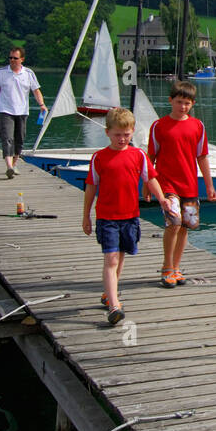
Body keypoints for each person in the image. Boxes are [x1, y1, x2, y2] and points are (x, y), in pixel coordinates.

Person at [83, 107, 169, 326]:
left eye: (126, 134)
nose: (122, 139)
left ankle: (109, 293)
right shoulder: (99, 158)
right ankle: (114, 306)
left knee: (120, 256)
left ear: (132, 132)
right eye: (117, 135)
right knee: (111, 258)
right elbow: (91, 187)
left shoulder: (138, 155)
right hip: (107, 217)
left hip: (129, 216)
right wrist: (86, 216)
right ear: (108, 133)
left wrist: (162, 199)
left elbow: (151, 179)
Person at [148, 80, 216, 288]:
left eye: (187, 103)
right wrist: (146, 186)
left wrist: (210, 186)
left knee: (185, 226)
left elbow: (202, 156)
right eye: (179, 102)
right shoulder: (159, 126)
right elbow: (150, 158)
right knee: (174, 223)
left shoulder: (197, 126)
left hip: (190, 185)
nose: (182, 106)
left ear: (192, 104)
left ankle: (176, 268)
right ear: (171, 101)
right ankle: (167, 267)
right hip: (167, 184)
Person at [0, 47, 47, 178]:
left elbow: (36, 91)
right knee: (7, 138)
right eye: (10, 58)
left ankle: (14, 164)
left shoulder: (28, 73)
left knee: (19, 139)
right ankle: (9, 167)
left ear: (22, 59)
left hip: (22, 111)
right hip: (5, 110)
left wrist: (42, 105)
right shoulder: (2, 72)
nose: (12, 60)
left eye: (15, 58)